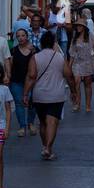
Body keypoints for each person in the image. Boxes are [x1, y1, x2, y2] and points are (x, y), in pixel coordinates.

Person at [24, 29, 76, 160]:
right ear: (53, 43)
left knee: (42, 123)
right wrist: (74, 91)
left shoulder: (35, 58)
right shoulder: (59, 57)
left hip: (39, 95)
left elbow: (31, 77)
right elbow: (69, 76)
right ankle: (48, 147)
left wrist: (25, 94)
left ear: (41, 44)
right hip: (56, 95)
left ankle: (45, 146)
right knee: (52, 122)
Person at [9, 27, 39, 136]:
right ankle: (22, 126)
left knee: (32, 102)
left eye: (23, 35)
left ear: (27, 36)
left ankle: (31, 123)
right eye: (18, 36)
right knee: (19, 103)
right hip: (16, 81)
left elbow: (38, 65)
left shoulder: (34, 49)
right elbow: (10, 65)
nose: (21, 38)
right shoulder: (13, 50)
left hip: (31, 81)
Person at [69, 19, 94, 112]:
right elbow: (72, 52)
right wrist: (69, 66)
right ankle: (77, 103)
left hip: (88, 62)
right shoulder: (74, 38)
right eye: (77, 26)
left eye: (80, 26)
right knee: (76, 82)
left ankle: (88, 105)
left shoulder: (90, 36)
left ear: (84, 27)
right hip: (77, 63)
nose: (78, 27)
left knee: (87, 84)